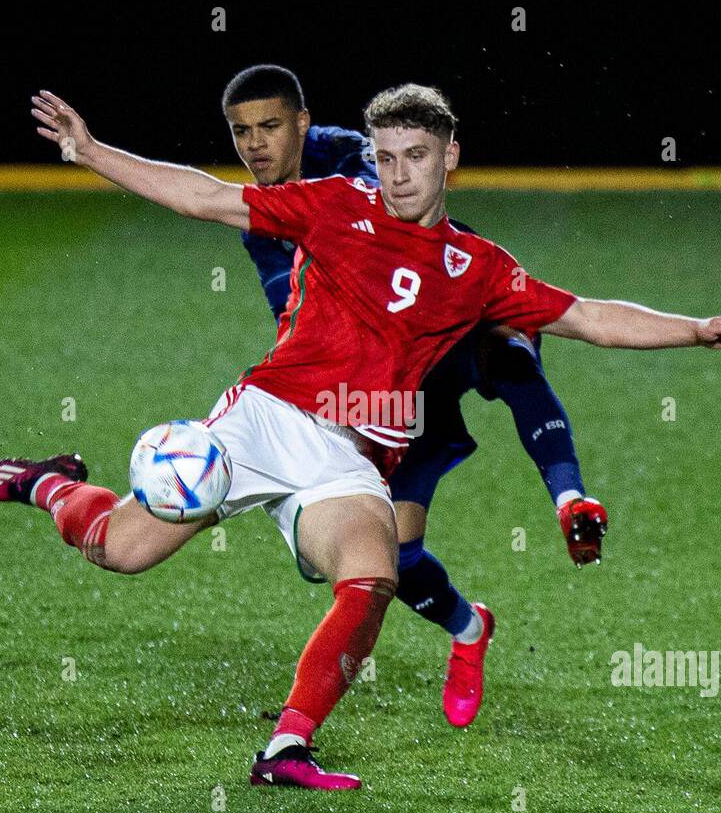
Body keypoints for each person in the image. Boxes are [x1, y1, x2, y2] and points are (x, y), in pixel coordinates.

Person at [0, 84, 721, 791]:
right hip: (267, 420)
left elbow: (589, 316)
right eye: (386, 157)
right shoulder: (331, 205)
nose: (397, 175)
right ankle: (47, 483)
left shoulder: (480, 267)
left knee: (373, 573)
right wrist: (91, 152)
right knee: (119, 551)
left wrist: (698, 330)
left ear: (450, 157)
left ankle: (286, 747)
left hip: (351, 457)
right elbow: (201, 198)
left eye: (415, 156)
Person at [221, 64, 606, 727]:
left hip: (450, 305)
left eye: (270, 126)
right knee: (389, 555)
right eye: (241, 133)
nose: (256, 144)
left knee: (511, 354)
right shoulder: (267, 224)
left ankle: (569, 496)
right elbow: (300, 312)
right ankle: (467, 627)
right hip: (387, 383)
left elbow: (418, 193)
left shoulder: (353, 154)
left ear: (302, 122)